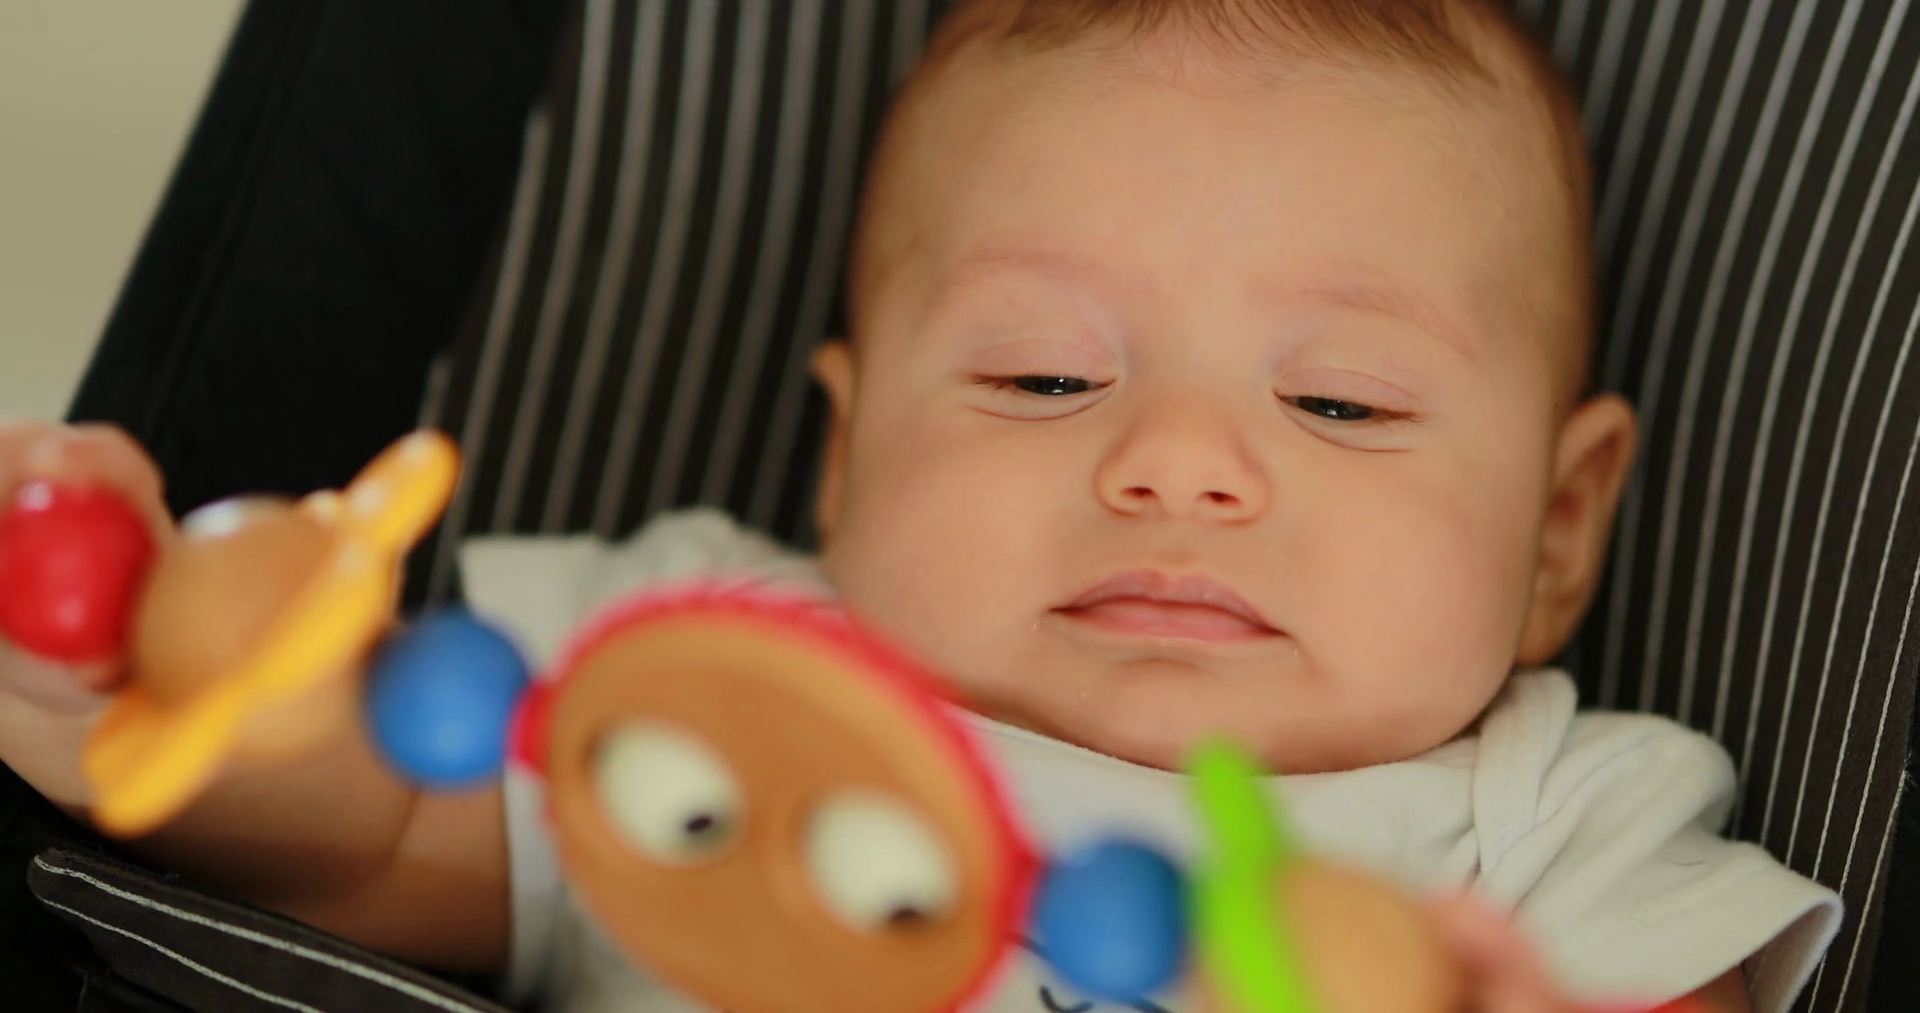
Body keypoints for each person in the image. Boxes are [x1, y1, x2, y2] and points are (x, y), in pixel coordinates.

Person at [0, 0, 1841, 1010]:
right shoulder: (718, 658)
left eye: (1340, 400)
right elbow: (385, 847)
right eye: (1044, 377)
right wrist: (157, 696)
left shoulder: (1546, 813)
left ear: (1555, 534)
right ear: (845, 457)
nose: (1175, 463)